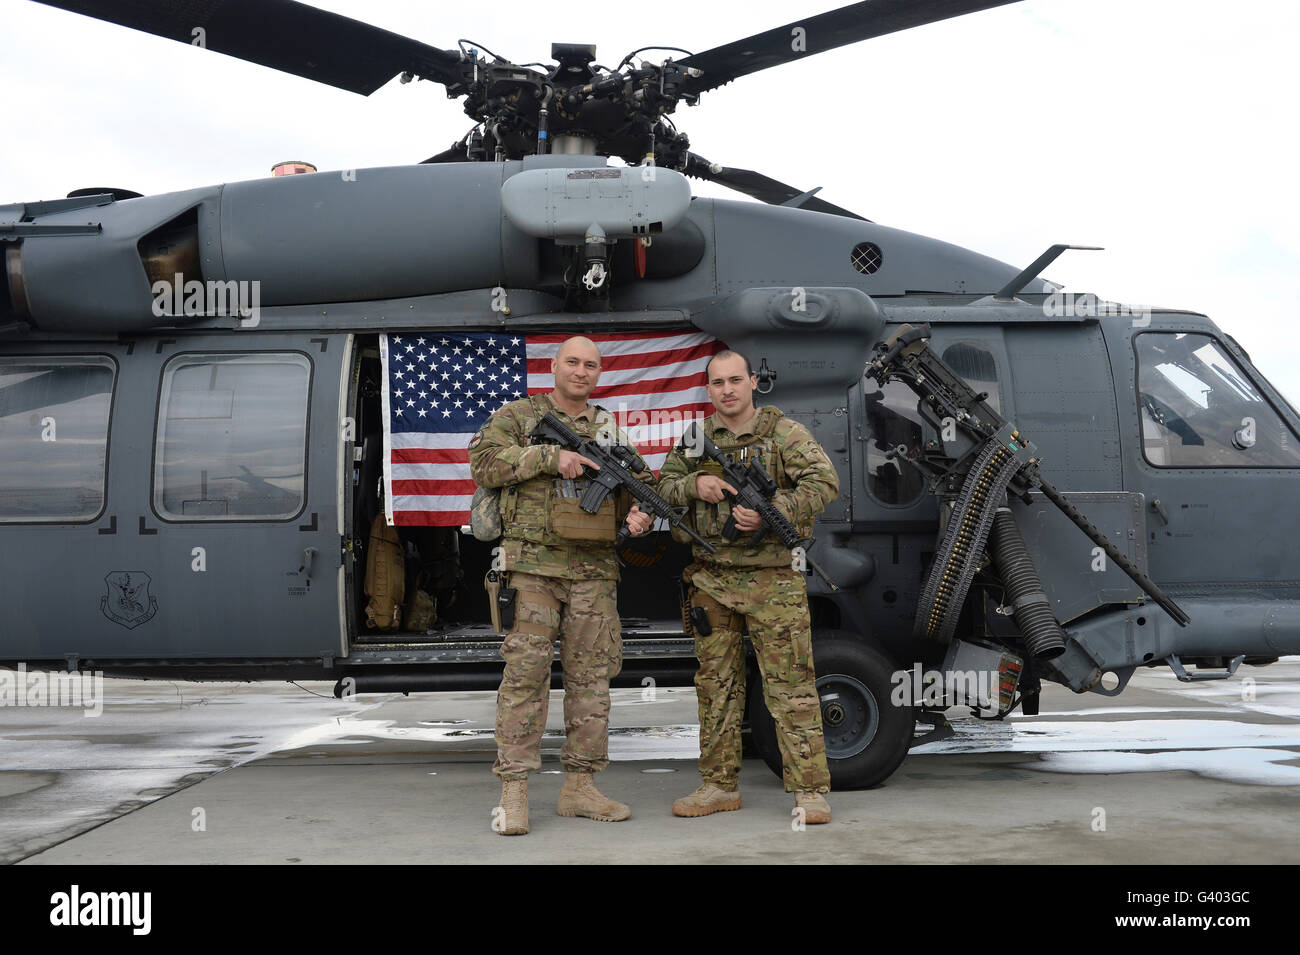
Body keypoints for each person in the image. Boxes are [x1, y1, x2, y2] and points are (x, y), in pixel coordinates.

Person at [468, 336, 653, 835]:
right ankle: (514, 790)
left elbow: (644, 480)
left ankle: (580, 787)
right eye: (572, 362)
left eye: (590, 365)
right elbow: (484, 462)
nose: (581, 371)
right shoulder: (520, 416)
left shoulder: (608, 428)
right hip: (533, 571)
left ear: (599, 372)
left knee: (591, 681)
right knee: (526, 677)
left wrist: (641, 515)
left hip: (594, 575)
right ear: (554, 366)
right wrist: (551, 458)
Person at [657, 349, 839, 823]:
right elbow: (662, 488)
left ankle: (809, 791)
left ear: (753, 382)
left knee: (791, 688)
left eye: (735, 380)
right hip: (712, 582)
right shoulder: (696, 440)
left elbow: (824, 483)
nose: (727, 390)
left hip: (772, 583)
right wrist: (696, 486)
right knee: (716, 687)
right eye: (717, 383)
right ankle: (718, 785)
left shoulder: (785, 433)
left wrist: (772, 508)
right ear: (708, 389)